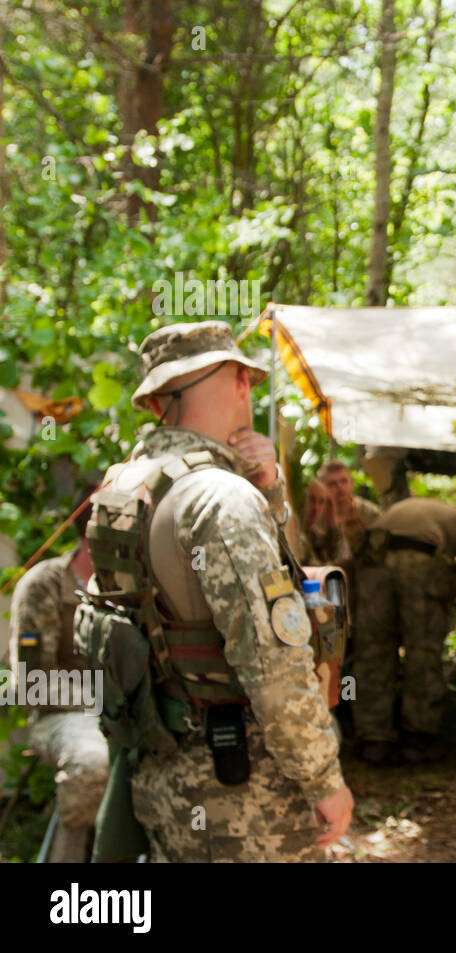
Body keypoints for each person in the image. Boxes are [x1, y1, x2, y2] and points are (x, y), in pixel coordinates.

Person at [78, 320, 353, 861]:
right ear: (237, 381)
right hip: (245, 799)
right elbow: (275, 670)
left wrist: (268, 489)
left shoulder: (122, 488)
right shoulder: (221, 499)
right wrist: (324, 780)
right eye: (246, 378)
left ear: (158, 403)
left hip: (161, 778)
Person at [351, 495, 456, 765]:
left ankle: (373, 738)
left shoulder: (398, 507)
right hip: (420, 564)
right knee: (422, 652)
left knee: (372, 652)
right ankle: (418, 738)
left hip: (374, 562)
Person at [7, 483, 108, 862]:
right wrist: (104, 696)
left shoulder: (132, 586)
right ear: (91, 527)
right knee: (92, 762)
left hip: (122, 710)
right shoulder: (45, 585)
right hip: (62, 716)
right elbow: (32, 685)